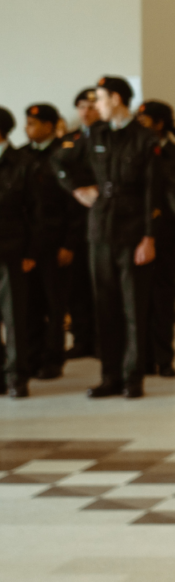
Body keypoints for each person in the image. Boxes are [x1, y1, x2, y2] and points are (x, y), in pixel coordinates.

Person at [52, 77, 163, 399]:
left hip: (133, 231)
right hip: (101, 229)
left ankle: (132, 378)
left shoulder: (144, 138)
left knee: (133, 309)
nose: (96, 106)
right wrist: (76, 188)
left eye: (99, 99)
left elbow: (152, 192)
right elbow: (59, 161)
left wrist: (149, 237)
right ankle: (110, 376)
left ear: (116, 99)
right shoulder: (94, 135)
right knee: (105, 308)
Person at [134, 101, 175, 378]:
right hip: (136, 236)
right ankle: (143, 359)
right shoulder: (133, 149)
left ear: (159, 124)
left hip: (168, 237)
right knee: (138, 301)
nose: (139, 124)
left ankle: (165, 359)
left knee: (163, 300)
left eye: (144, 120)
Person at [0, 107, 54, 398]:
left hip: (12, 251)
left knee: (14, 318)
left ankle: (17, 377)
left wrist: (31, 251)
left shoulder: (23, 163)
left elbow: (36, 213)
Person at [19, 104, 71, 381]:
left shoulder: (64, 154)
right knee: (29, 304)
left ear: (50, 126)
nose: (29, 129)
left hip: (55, 241)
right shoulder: (22, 156)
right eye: (27, 124)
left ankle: (53, 358)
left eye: (34, 124)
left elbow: (73, 205)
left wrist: (70, 244)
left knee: (54, 305)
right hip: (28, 243)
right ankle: (32, 355)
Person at [50, 88, 99, 360]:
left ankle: (105, 341)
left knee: (103, 286)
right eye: (81, 106)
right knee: (77, 287)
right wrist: (77, 189)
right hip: (74, 218)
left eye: (91, 106)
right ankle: (82, 340)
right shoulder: (70, 141)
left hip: (103, 218)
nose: (86, 112)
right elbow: (58, 170)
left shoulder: (112, 138)